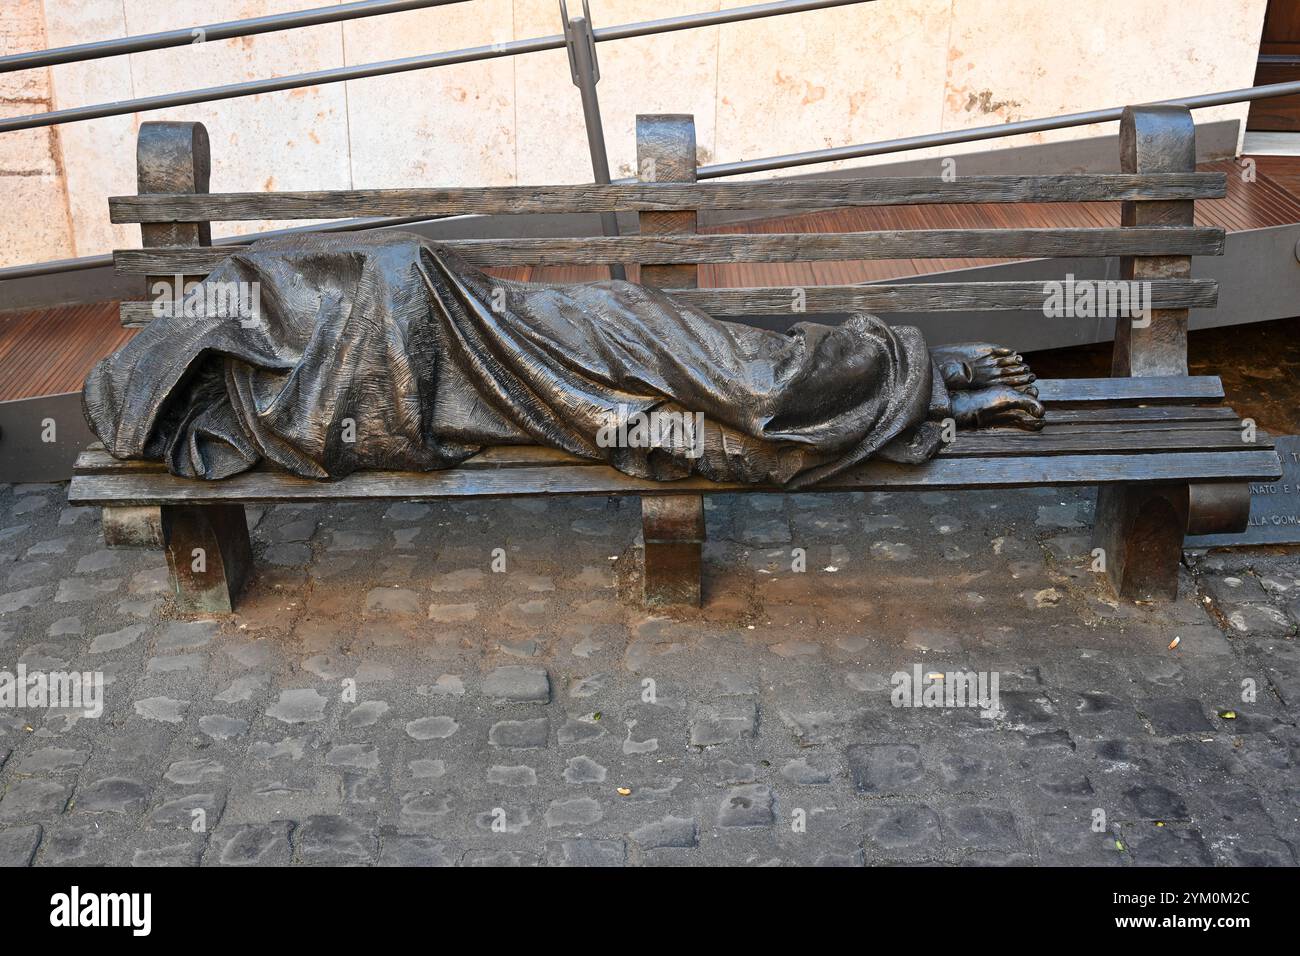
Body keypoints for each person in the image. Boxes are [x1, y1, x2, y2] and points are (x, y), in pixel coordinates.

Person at [84, 231, 1043, 489]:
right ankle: (930, 413)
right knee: (704, 449)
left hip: (551, 327)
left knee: (760, 382)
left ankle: (919, 369)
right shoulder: (268, 423)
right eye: (171, 413)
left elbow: (408, 274)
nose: (180, 409)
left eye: (166, 390)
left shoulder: (264, 288)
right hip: (516, 407)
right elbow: (373, 435)